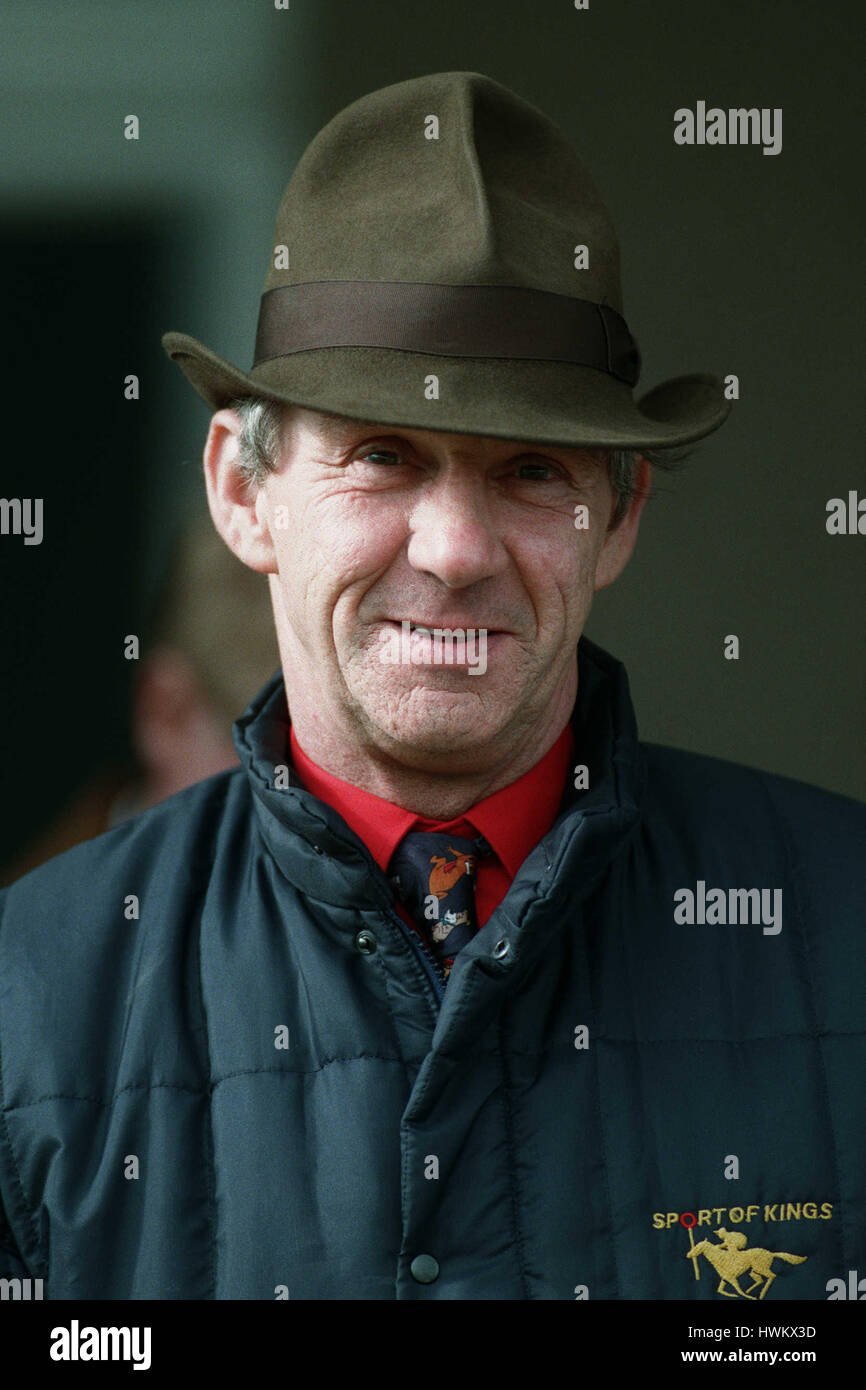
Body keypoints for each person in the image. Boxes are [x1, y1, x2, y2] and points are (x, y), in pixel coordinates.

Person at [0, 72, 863, 1302]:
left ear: (617, 519)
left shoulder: (840, 936)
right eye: (383, 455)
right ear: (245, 495)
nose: (454, 550)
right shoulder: (28, 1001)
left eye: (527, 467)